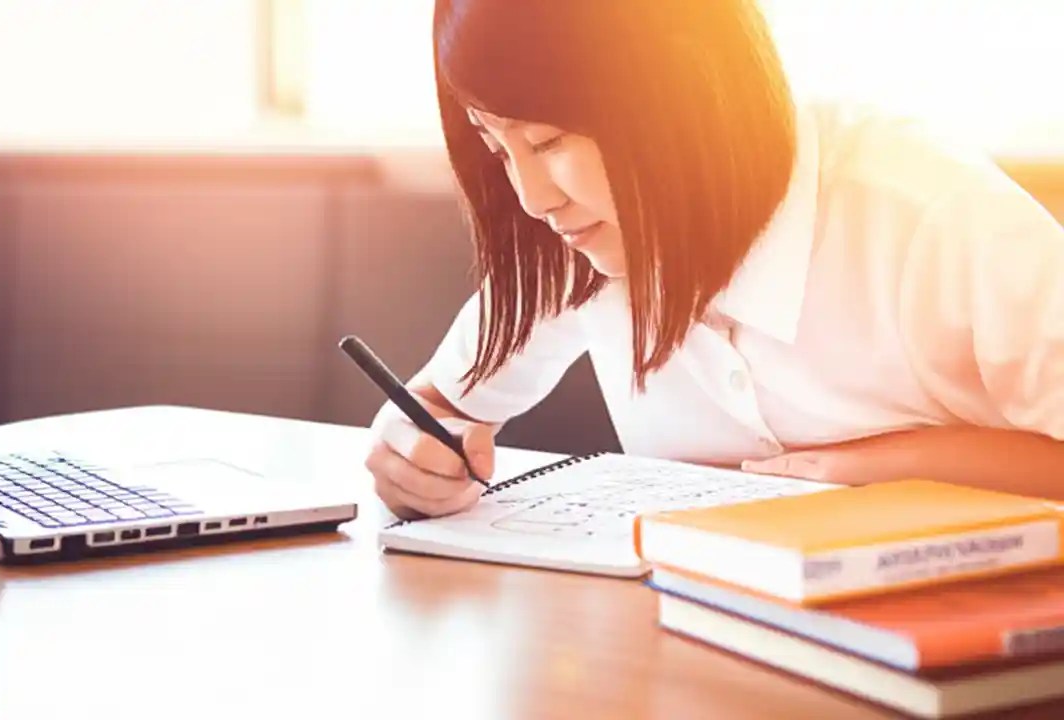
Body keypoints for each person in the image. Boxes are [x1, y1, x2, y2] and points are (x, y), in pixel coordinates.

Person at [365, 0, 1064, 519]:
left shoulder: (927, 216)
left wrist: (897, 467)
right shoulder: (576, 245)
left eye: (548, 142)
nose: (529, 197)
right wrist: (411, 458)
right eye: (495, 147)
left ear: (684, 91)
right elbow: (436, 407)